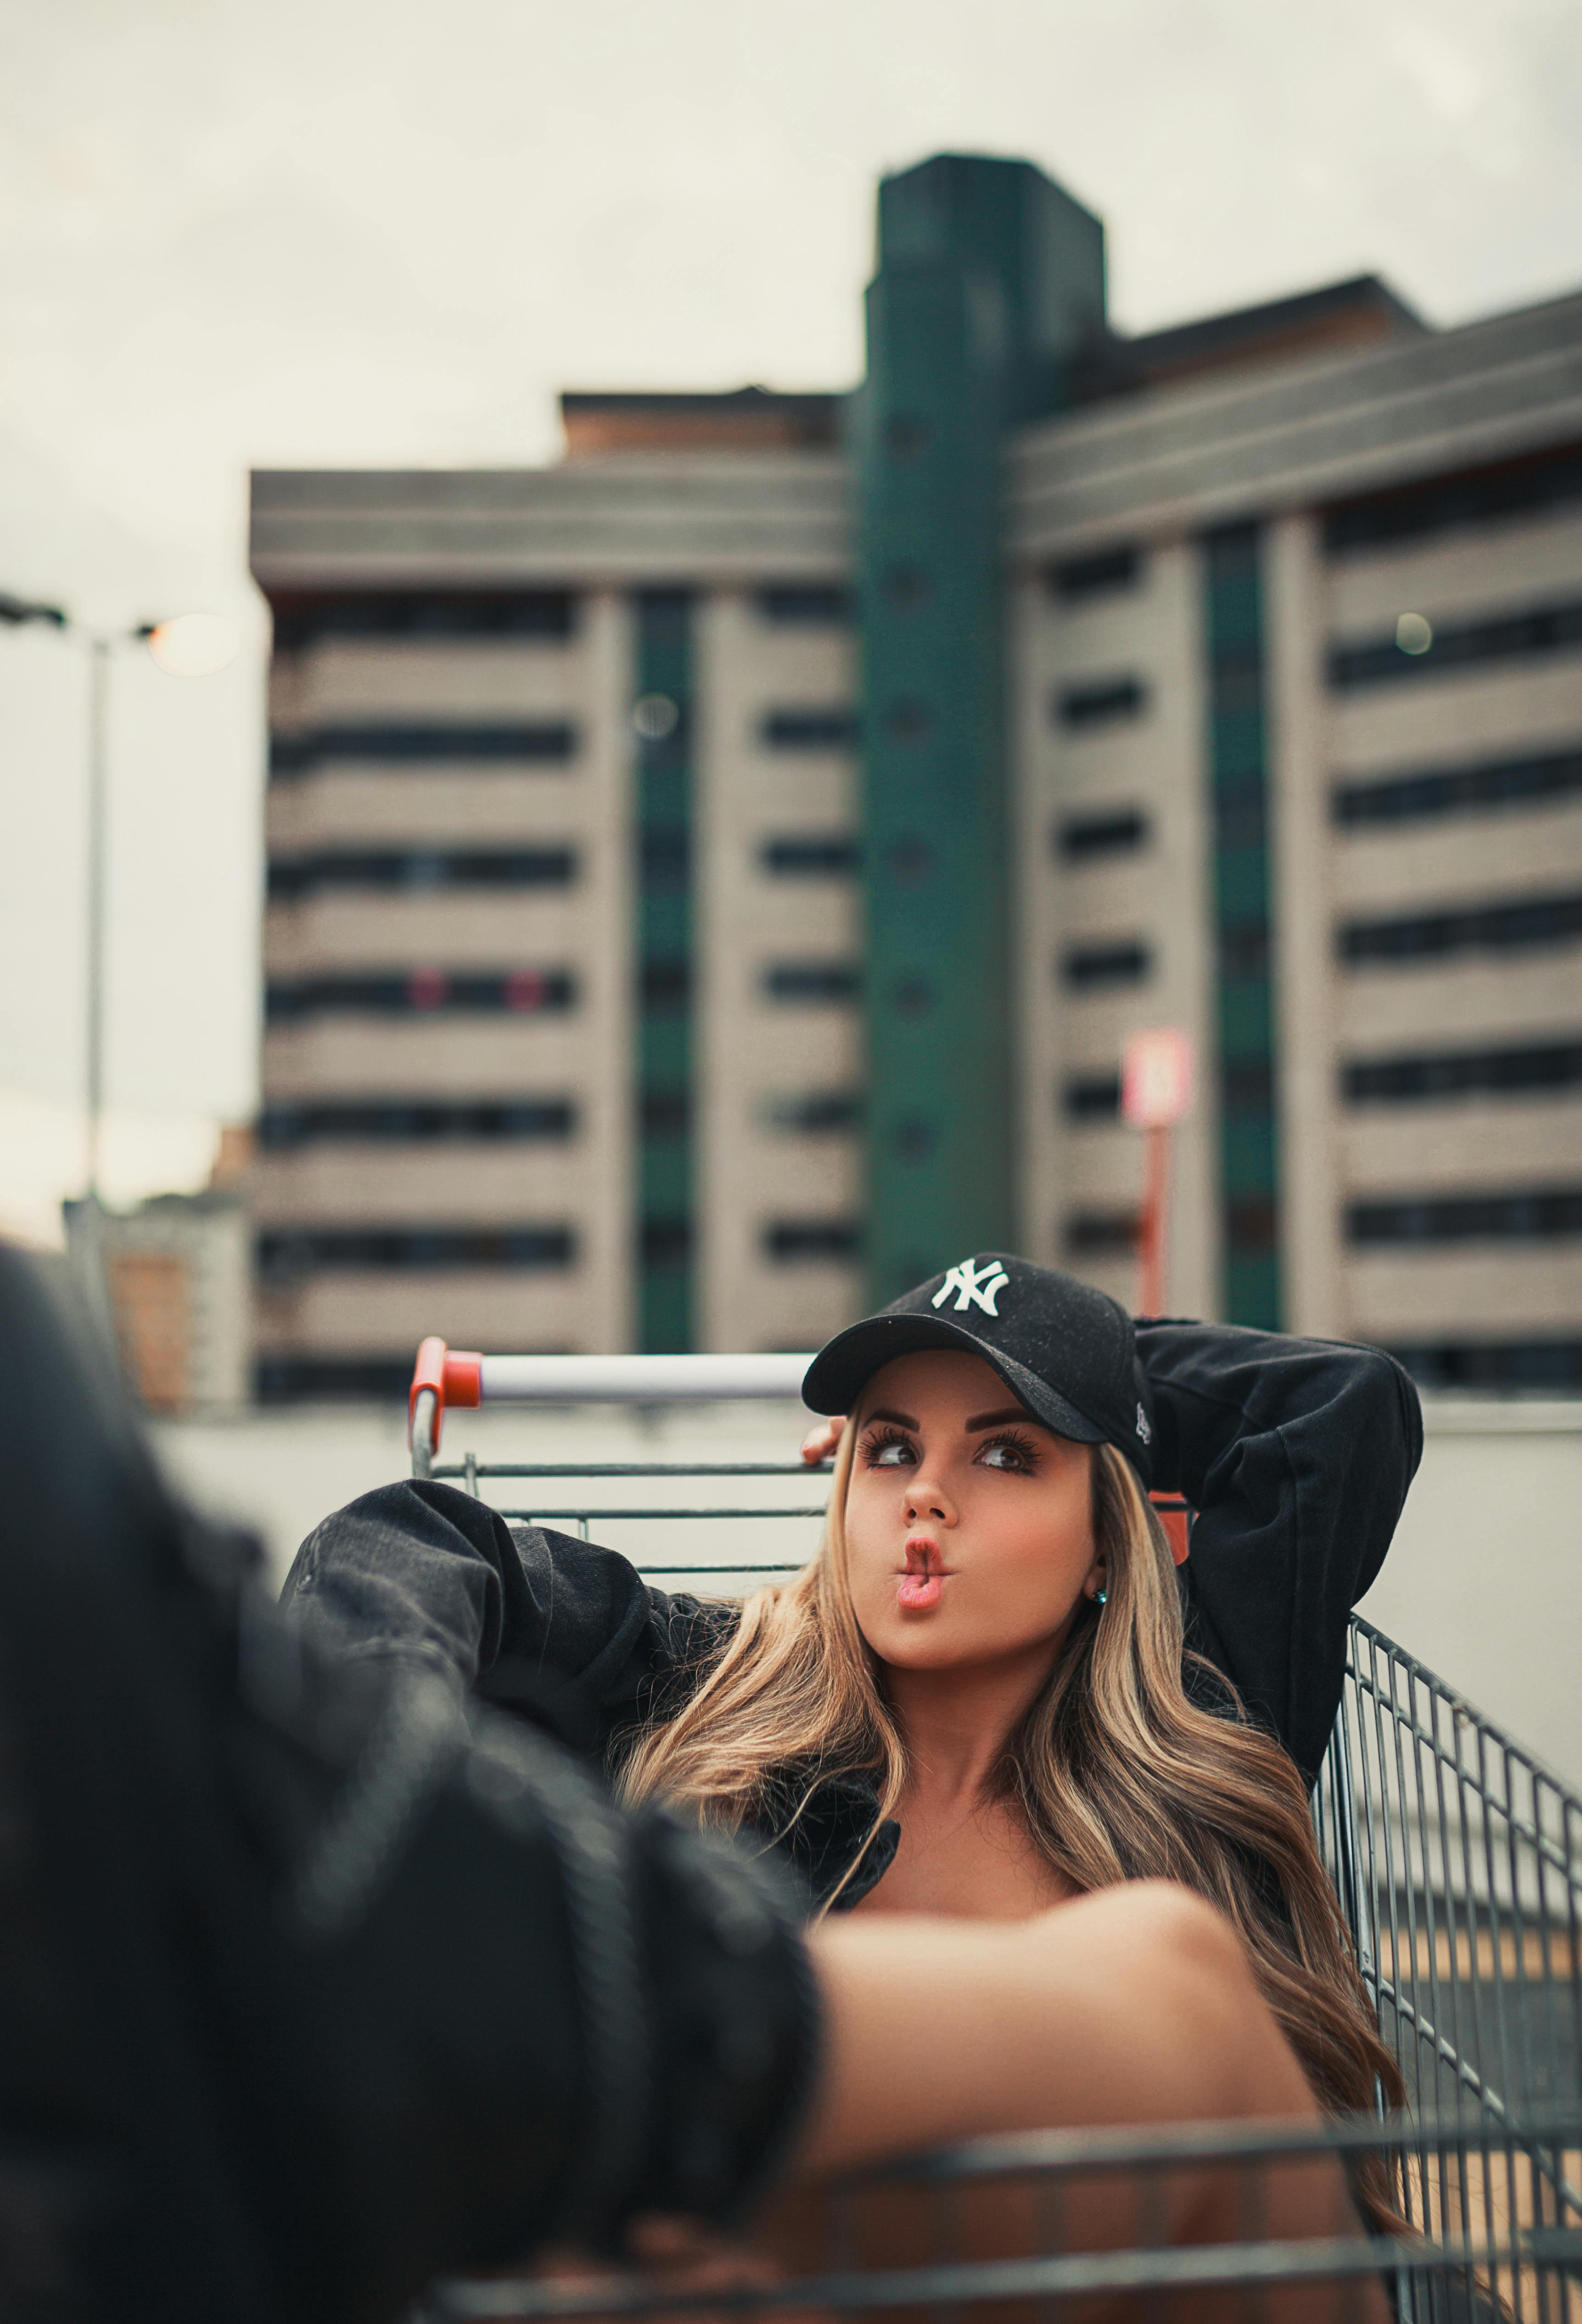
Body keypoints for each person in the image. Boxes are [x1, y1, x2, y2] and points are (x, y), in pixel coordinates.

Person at [0, 1249, 1398, 2324]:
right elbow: (424, 1541)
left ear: (1108, 1536)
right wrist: (396, 1752)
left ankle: (535, 2026)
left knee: (1171, 1961)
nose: (926, 1495)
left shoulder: (1205, 1726)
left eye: (1008, 1451)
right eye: (891, 1444)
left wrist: (1095, 1367)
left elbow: (1338, 1407)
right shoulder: (715, 1685)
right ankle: (424, 1908)